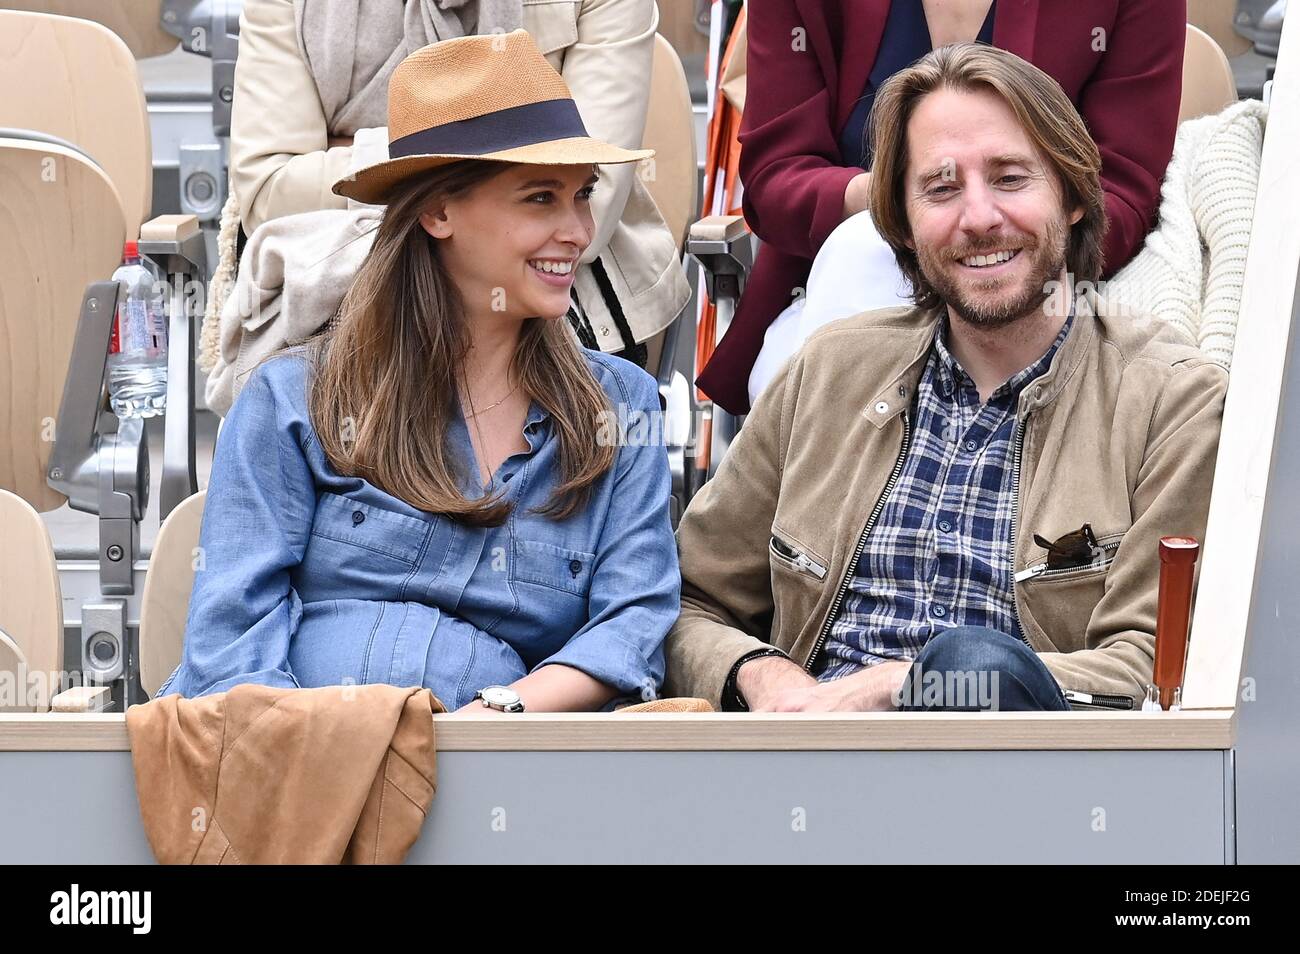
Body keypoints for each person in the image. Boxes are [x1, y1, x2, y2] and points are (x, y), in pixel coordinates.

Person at [665, 43, 1226, 713]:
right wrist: (762, 675)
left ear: (1074, 197)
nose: (980, 217)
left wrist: (910, 685)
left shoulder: (1173, 399)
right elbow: (687, 598)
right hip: (804, 768)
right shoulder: (827, 371)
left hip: (1023, 785)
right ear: (901, 224)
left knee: (970, 660)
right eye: (942, 187)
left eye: (1011, 178)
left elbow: (1152, 666)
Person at [160, 32, 680, 714]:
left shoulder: (620, 408)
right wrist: (343, 760)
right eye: (539, 199)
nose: (579, 230)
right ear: (438, 211)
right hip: (306, 780)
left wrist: (496, 717)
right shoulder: (292, 402)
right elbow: (232, 647)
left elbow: (633, 627)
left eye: (581, 196)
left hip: (517, 782)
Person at [697, 0, 1187, 413]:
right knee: (862, 248)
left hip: (1047, 293)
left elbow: (1120, 196)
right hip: (839, 293)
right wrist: (907, 204)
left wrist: (992, 233)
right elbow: (775, 181)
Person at [225, 0, 688, 366]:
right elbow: (270, 190)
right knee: (291, 418)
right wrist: (485, 157)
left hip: (558, 304)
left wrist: (373, 164)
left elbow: (588, 184)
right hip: (334, 294)